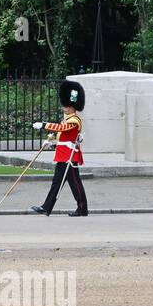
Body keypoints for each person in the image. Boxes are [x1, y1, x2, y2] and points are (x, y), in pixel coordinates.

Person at [30, 80, 89, 217]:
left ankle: (82, 209)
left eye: (66, 105)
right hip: (63, 156)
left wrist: (44, 125)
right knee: (56, 183)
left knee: (75, 184)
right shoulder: (68, 119)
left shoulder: (74, 121)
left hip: (69, 157)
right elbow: (63, 138)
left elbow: (62, 129)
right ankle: (46, 207)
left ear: (72, 107)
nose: (64, 107)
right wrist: (52, 142)